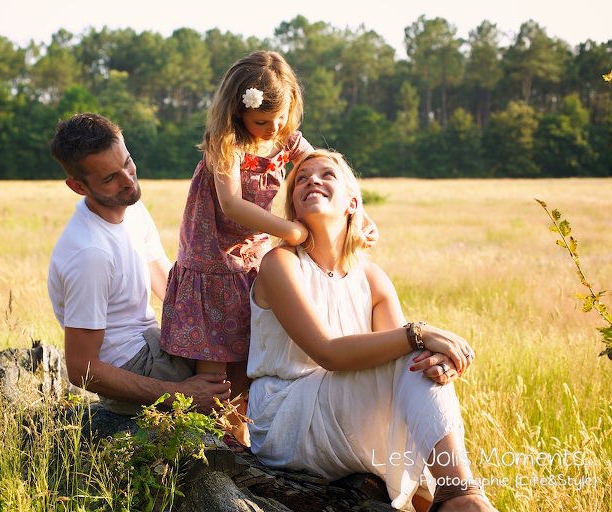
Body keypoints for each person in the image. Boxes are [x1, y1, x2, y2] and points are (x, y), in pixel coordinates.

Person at [246, 149, 497, 511]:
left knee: (417, 363)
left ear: (352, 202)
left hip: (343, 413)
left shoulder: (372, 278)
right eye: (301, 179)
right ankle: (457, 495)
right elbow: (328, 352)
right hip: (286, 417)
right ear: (294, 210)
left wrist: (434, 360)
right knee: (412, 348)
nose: (311, 180)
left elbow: (403, 366)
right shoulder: (281, 264)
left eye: (326, 175)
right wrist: (419, 333)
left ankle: (452, 496)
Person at [159, 51, 378, 449]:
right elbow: (232, 205)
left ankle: (241, 442)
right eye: (263, 121)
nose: (272, 129)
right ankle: (214, 450)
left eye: (282, 120)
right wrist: (290, 231)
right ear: (238, 110)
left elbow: (326, 167)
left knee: (247, 364)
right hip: (212, 270)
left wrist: (359, 216)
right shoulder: (225, 141)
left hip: (251, 268)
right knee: (215, 377)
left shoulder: (284, 137)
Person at [47, 113, 231, 416]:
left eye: (127, 163)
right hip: (129, 365)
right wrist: (180, 394)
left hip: (152, 342)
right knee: (231, 368)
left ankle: (239, 445)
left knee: (240, 338)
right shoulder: (90, 254)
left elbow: (167, 284)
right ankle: (237, 452)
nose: (128, 180)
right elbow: (81, 368)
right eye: (110, 178)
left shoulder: (131, 209)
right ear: (78, 187)